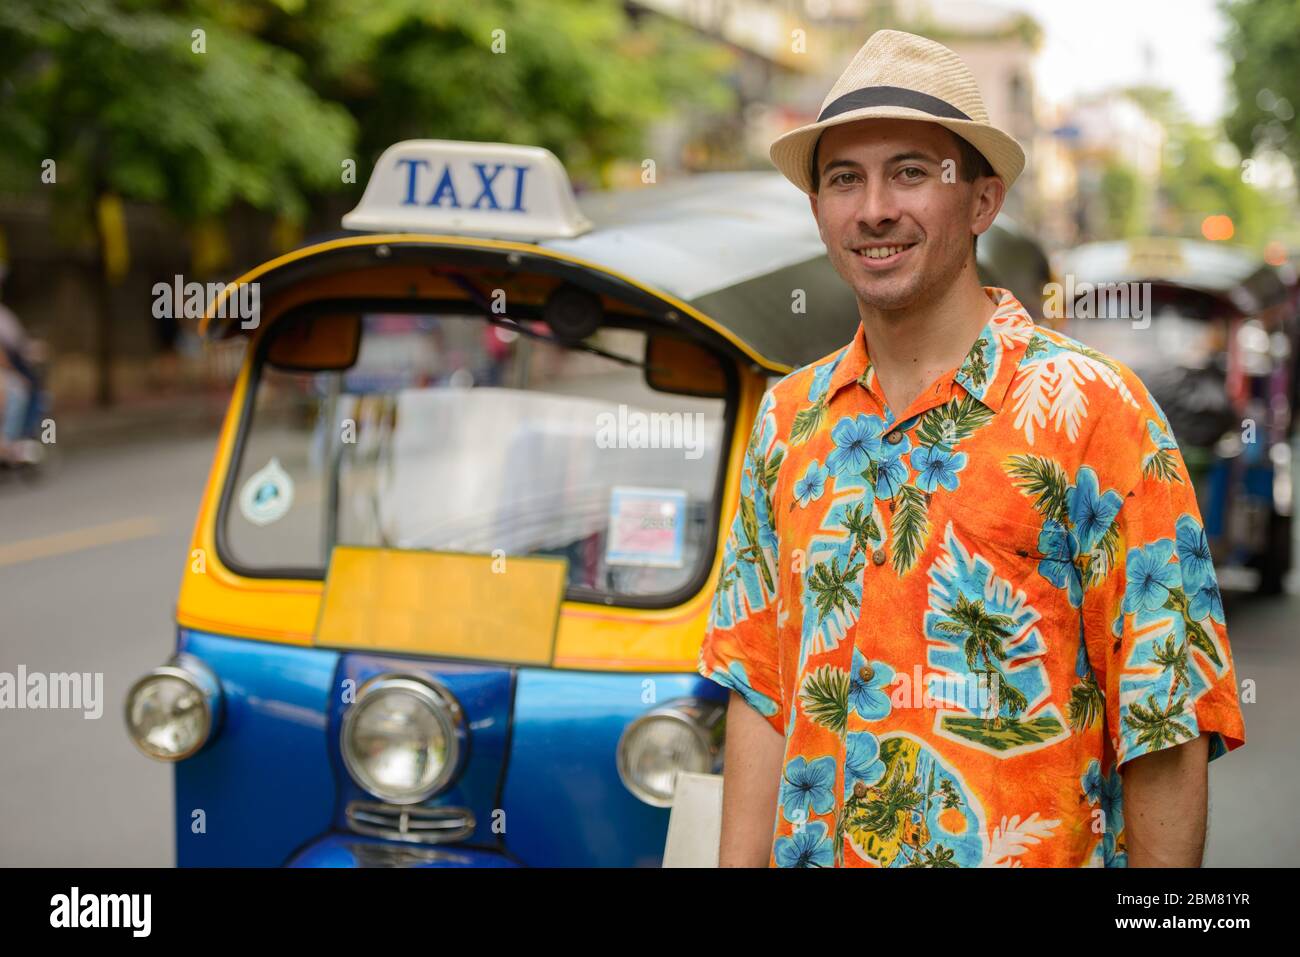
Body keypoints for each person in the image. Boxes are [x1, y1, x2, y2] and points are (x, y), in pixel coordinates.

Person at [697, 30, 1245, 868]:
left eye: (911, 172)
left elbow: (1164, 717)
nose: (874, 207)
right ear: (819, 210)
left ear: (983, 201)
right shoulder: (786, 420)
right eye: (844, 178)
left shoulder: (1096, 411)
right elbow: (760, 692)